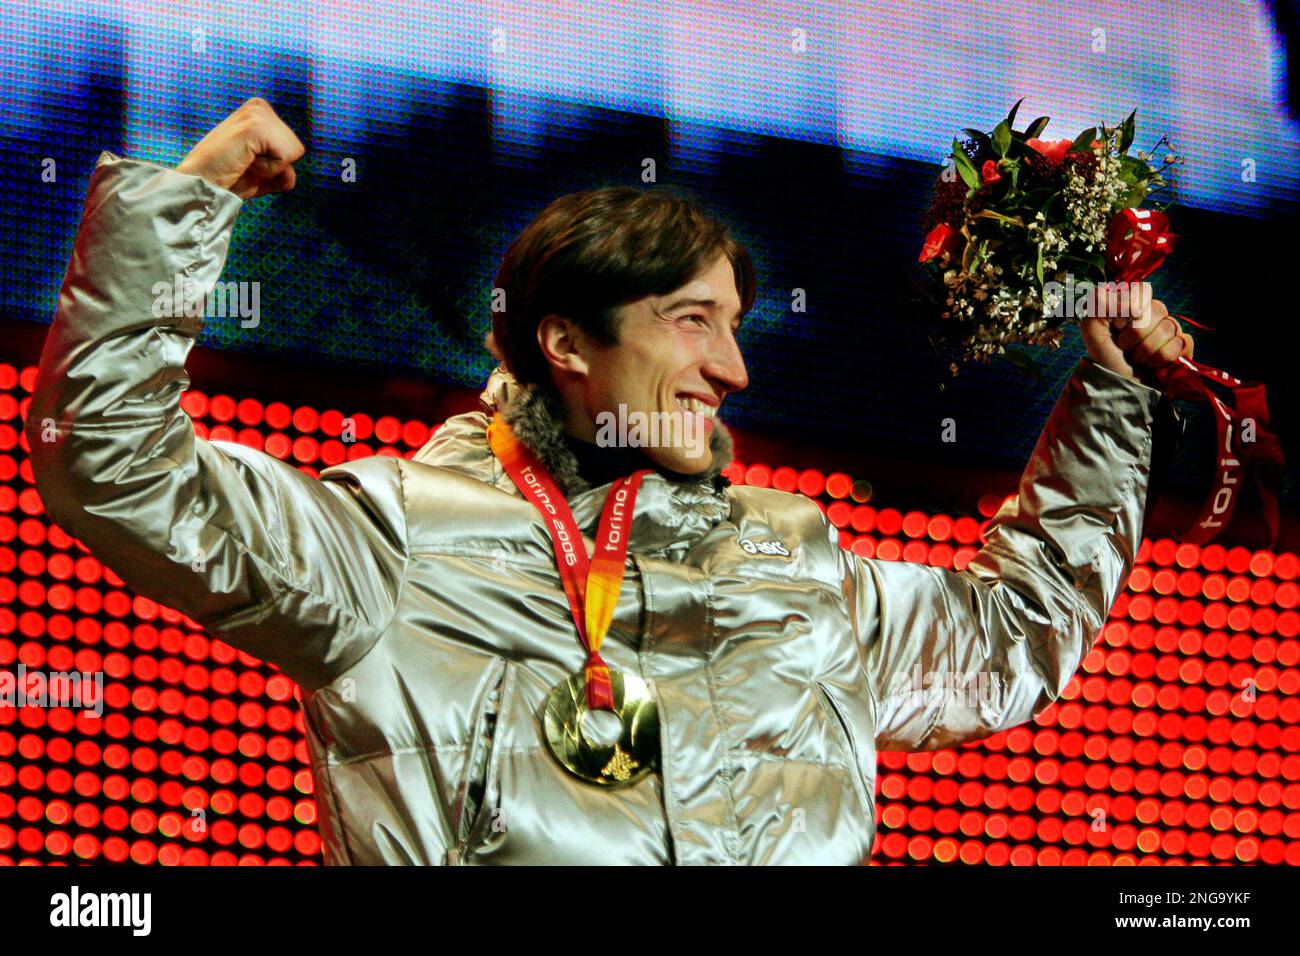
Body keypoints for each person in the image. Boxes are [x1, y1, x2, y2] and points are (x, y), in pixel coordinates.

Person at [26, 97, 1194, 865]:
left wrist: (1110, 390)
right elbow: (114, 461)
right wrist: (192, 199)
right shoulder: (391, 538)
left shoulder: (795, 559)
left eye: (733, 327)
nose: (730, 369)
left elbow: (1010, 640)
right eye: (690, 323)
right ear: (566, 343)